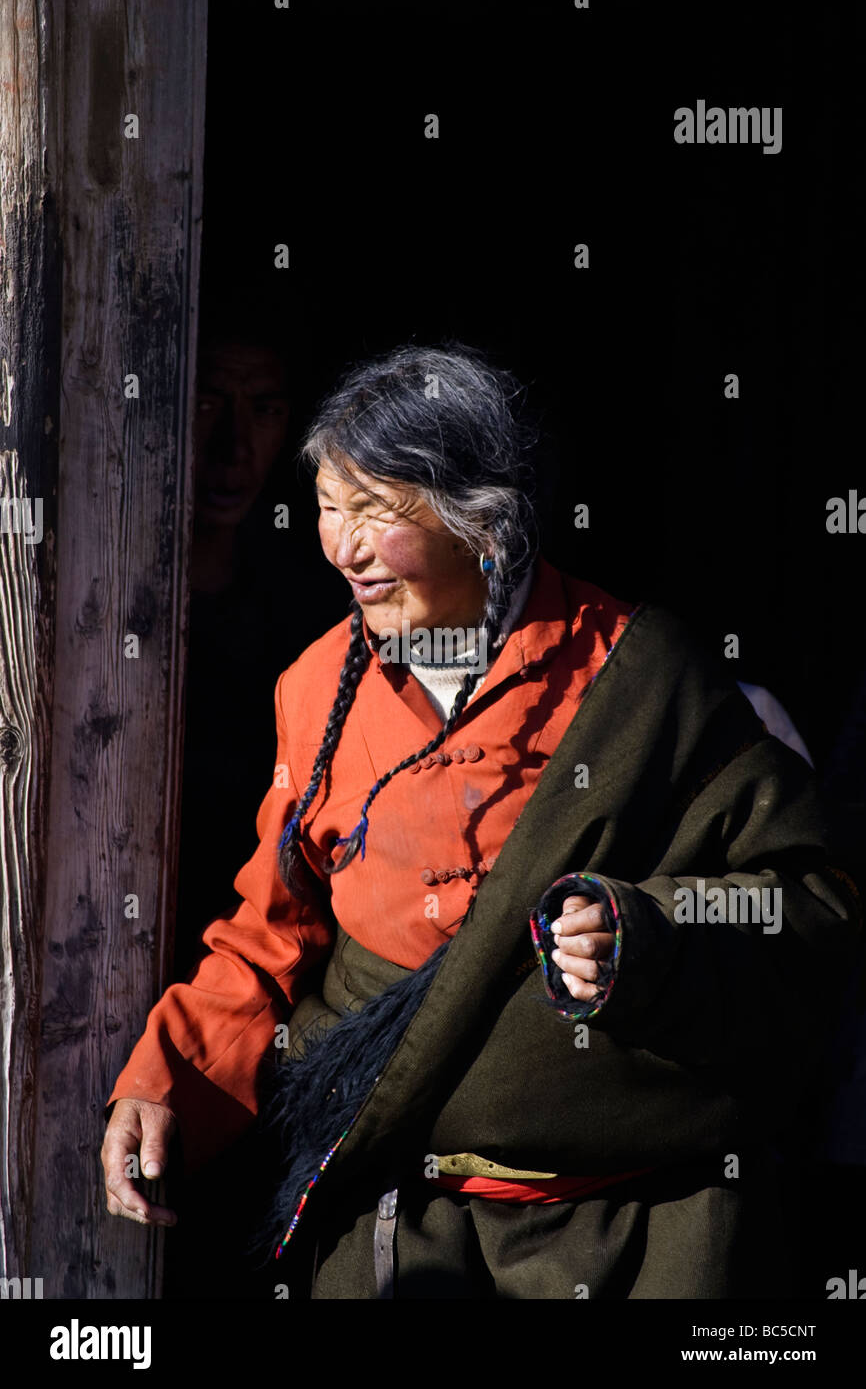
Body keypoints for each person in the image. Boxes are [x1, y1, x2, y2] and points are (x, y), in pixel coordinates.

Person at [101, 343, 862, 1299]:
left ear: (482, 519)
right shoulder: (318, 688)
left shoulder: (643, 683)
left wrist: (649, 937)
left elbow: (811, 905)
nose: (342, 546)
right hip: (393, 1236)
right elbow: (272, 933)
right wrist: (165, 1083)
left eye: (377, 510)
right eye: (332, 506)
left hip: (627, 1237)